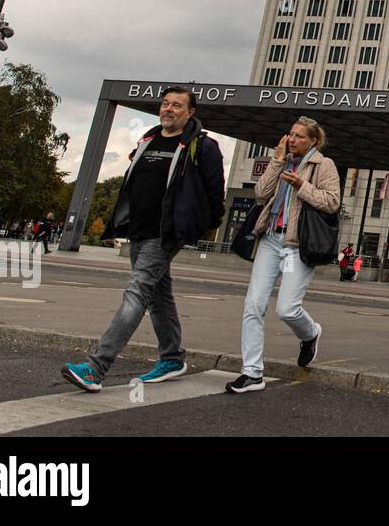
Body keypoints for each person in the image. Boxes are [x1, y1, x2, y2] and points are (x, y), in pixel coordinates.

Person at [63, 86, 224, 392]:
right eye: (165, 104)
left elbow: (216, 195)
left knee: (136, 292)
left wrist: (199, 225)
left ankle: (97, 366)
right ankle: (173, 357)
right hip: (138, 228)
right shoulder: (148, 140)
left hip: (165, 233)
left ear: (190, 112)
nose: (168, 109)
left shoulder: (202, 146)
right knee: (157, 294)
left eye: (177, 105)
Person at [227, 117, 340, 394]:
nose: (293, 139)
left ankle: (310, 333)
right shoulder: (282, 161)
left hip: (297, 244)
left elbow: (332, 202)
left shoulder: (323, 165)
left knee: (287, 309)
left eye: (300, 136)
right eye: (290, 134)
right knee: (253, 304)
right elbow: (260, 193)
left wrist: (302, 185)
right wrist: (277, 162)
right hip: (270, 239)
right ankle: (252, 372)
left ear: (314, 140)